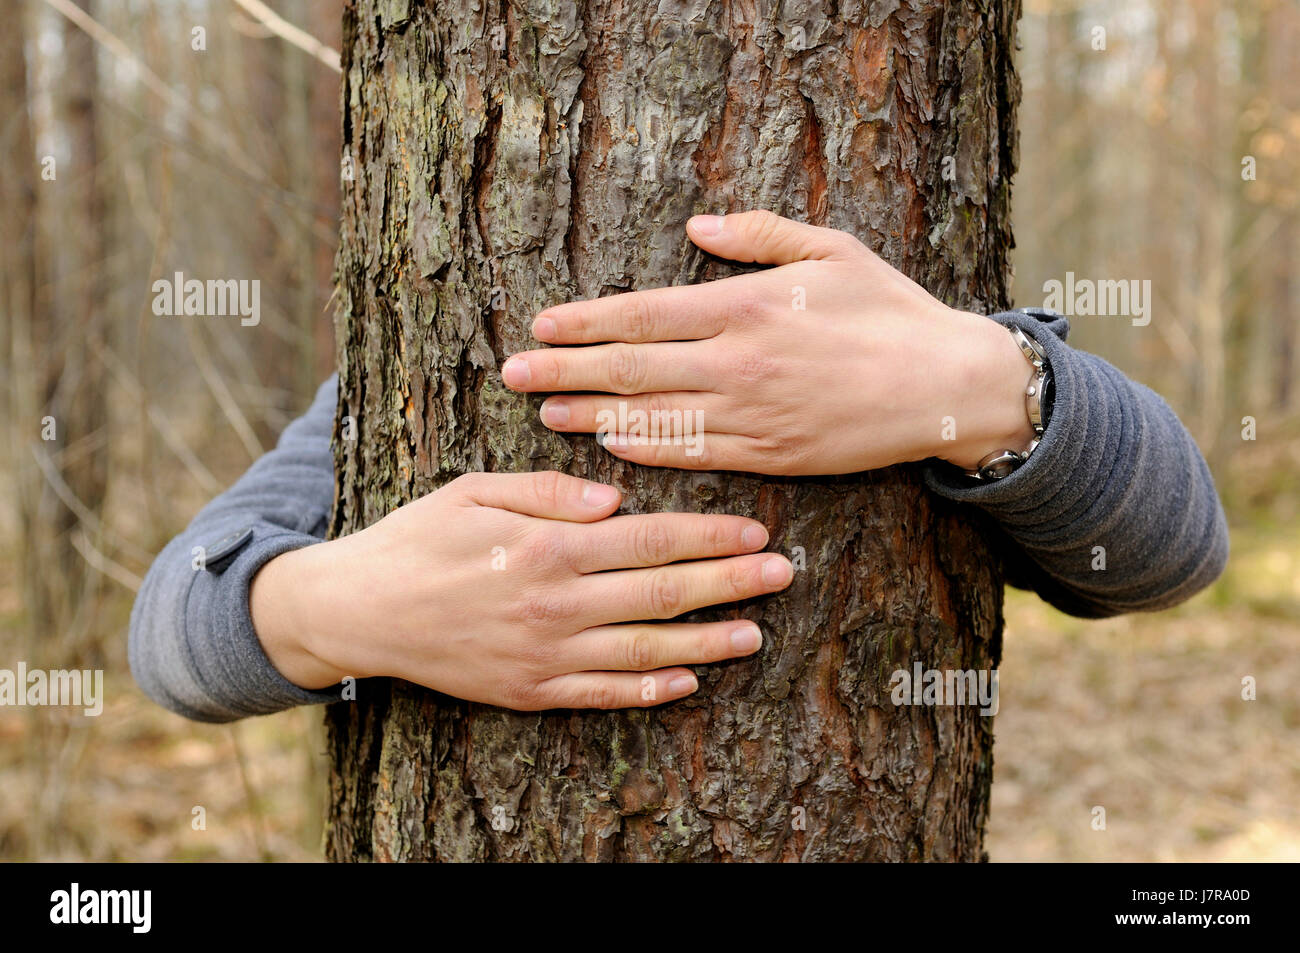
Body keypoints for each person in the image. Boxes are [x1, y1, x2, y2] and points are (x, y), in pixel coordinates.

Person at [128, 211, 1229, 723]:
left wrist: (984, 384)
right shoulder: (411, 382)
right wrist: (332, 608)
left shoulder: (921, 320)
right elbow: (169, 629)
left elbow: (1170, 556)